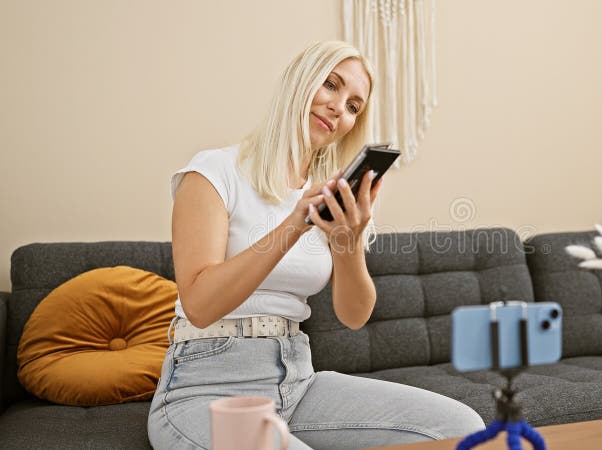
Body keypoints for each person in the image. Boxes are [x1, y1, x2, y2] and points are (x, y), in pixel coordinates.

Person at [147, 40, 485, 450]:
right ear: (300, 81)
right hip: (205, 387)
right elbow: (199, 306)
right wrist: (295, 224)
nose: (339, 108)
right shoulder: (212, 172)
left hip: (297, 378)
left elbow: (355, 316)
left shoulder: (329, 196)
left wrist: (349, 241)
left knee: (464, 427)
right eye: (330, 85)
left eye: (354, 106)